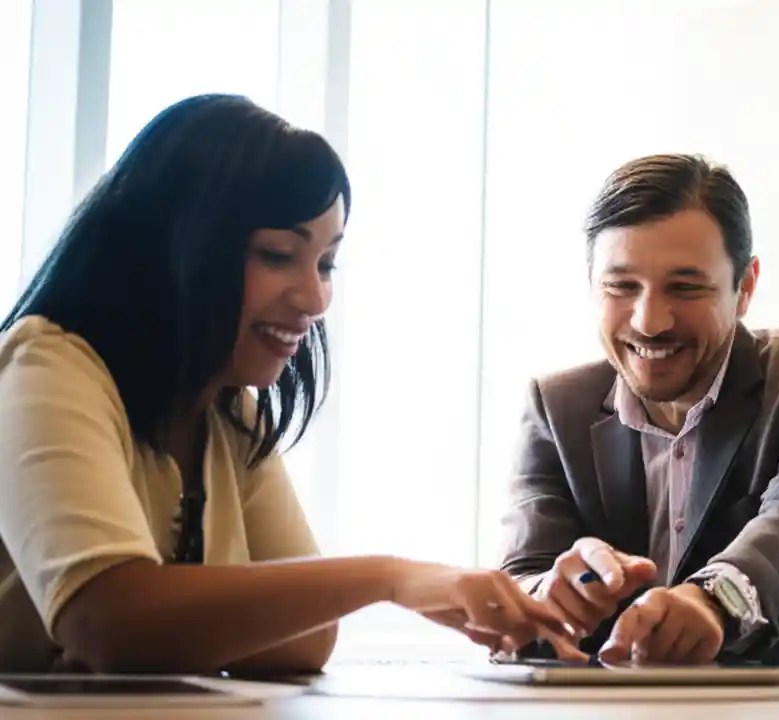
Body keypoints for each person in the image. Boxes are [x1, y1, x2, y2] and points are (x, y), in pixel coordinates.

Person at [0, 94, 572, 675]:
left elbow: (303, 642)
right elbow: (110, 625)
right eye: (279, 255)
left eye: (325, 264)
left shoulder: (227, 412)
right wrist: (391, 577)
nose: (316, 298)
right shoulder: (45, 366)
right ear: (176, 246)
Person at [498, 153, 779, 669]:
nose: (650, 321)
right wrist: (549, 595)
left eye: (684, 287)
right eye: (621, 286)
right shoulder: (556, 406)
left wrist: (713, 602)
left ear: (744, 287)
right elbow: (524, 575)